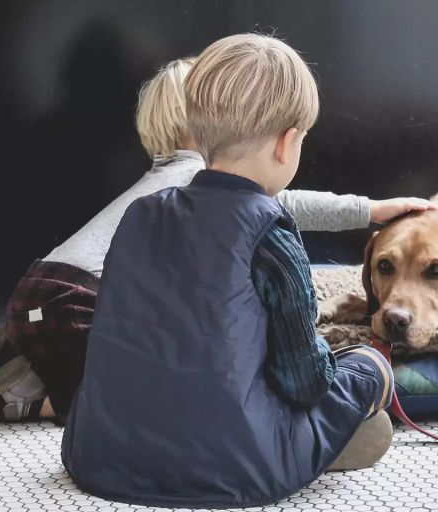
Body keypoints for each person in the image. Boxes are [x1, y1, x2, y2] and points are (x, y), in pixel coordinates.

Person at [0, 56, 431, 425]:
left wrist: (372, 211)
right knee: (121, 397)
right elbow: (286, 203)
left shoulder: (165, 179)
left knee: (118, 359)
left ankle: (22, 356)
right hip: (75, 299)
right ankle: (20, 400)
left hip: (44, 290)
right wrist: (370, 210)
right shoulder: (198, 181)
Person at [60, 33, 406, 508]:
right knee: (368, 366)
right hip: (233, 466)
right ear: (286, 143)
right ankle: (321, 441)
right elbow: (304, 381)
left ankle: (308, 442)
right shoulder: (270, 232)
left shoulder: (140, 214)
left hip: (100, 452)